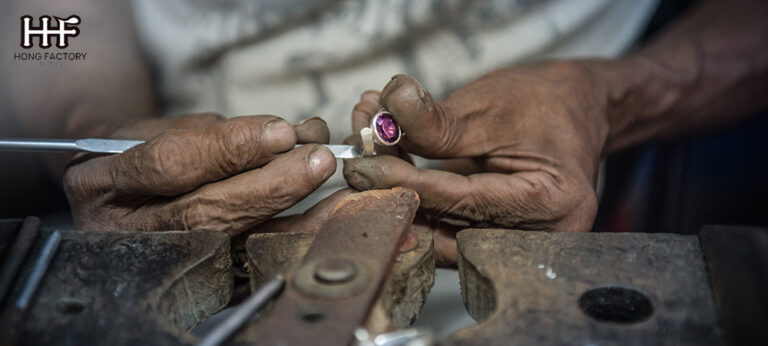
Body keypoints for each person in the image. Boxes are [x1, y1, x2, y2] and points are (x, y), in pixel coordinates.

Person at [1, 0, 766, 266]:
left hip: (531, 257)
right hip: (181, 250)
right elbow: (39, 24)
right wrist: (90, 125)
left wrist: (611, 98)